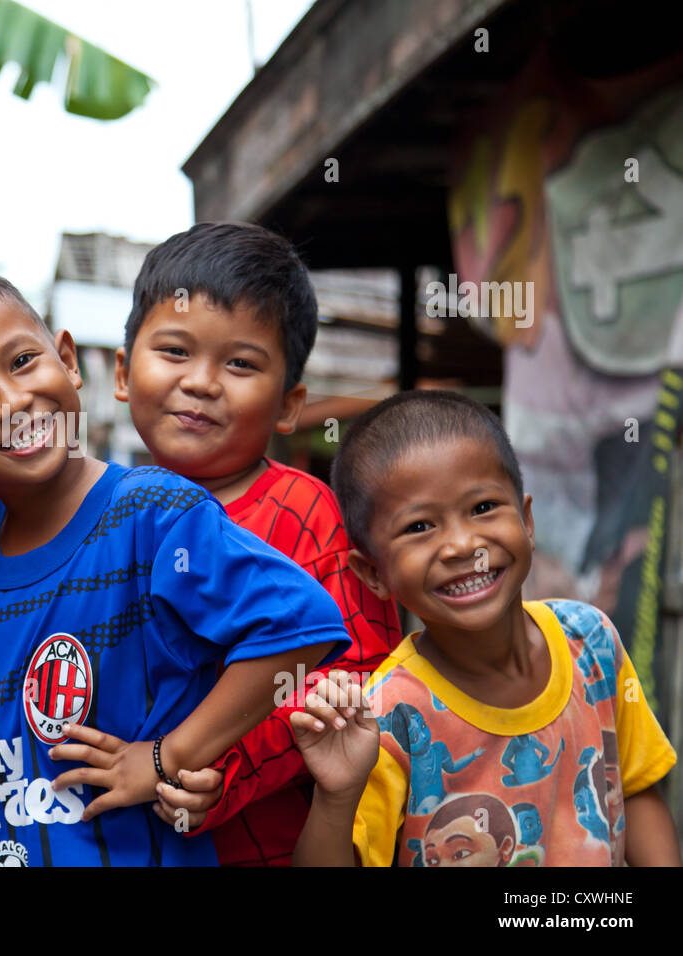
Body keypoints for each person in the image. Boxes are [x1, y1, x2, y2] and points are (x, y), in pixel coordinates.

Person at [0, 268, 352, 866]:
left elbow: (300, 626)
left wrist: (168, 757)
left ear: (67, 359)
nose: (11, 402)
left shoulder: (154, 515)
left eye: (22, 362)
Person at [113, 221, 402, 865]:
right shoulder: (97, 514)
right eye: (175, 351)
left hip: (266, 841)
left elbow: (355, 676)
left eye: (241, 363)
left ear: (289, 405)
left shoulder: (304, 513)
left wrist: (227, 770)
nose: (203, 382)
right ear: (123, 371)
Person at [290, 390, 680, 866]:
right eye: (419, 527)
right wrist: (335, 797)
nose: (462, 544)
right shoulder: (387, 716)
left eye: (482, 508)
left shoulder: (591, 640)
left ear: (527, 521)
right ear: (373, 574)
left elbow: (636, 789)